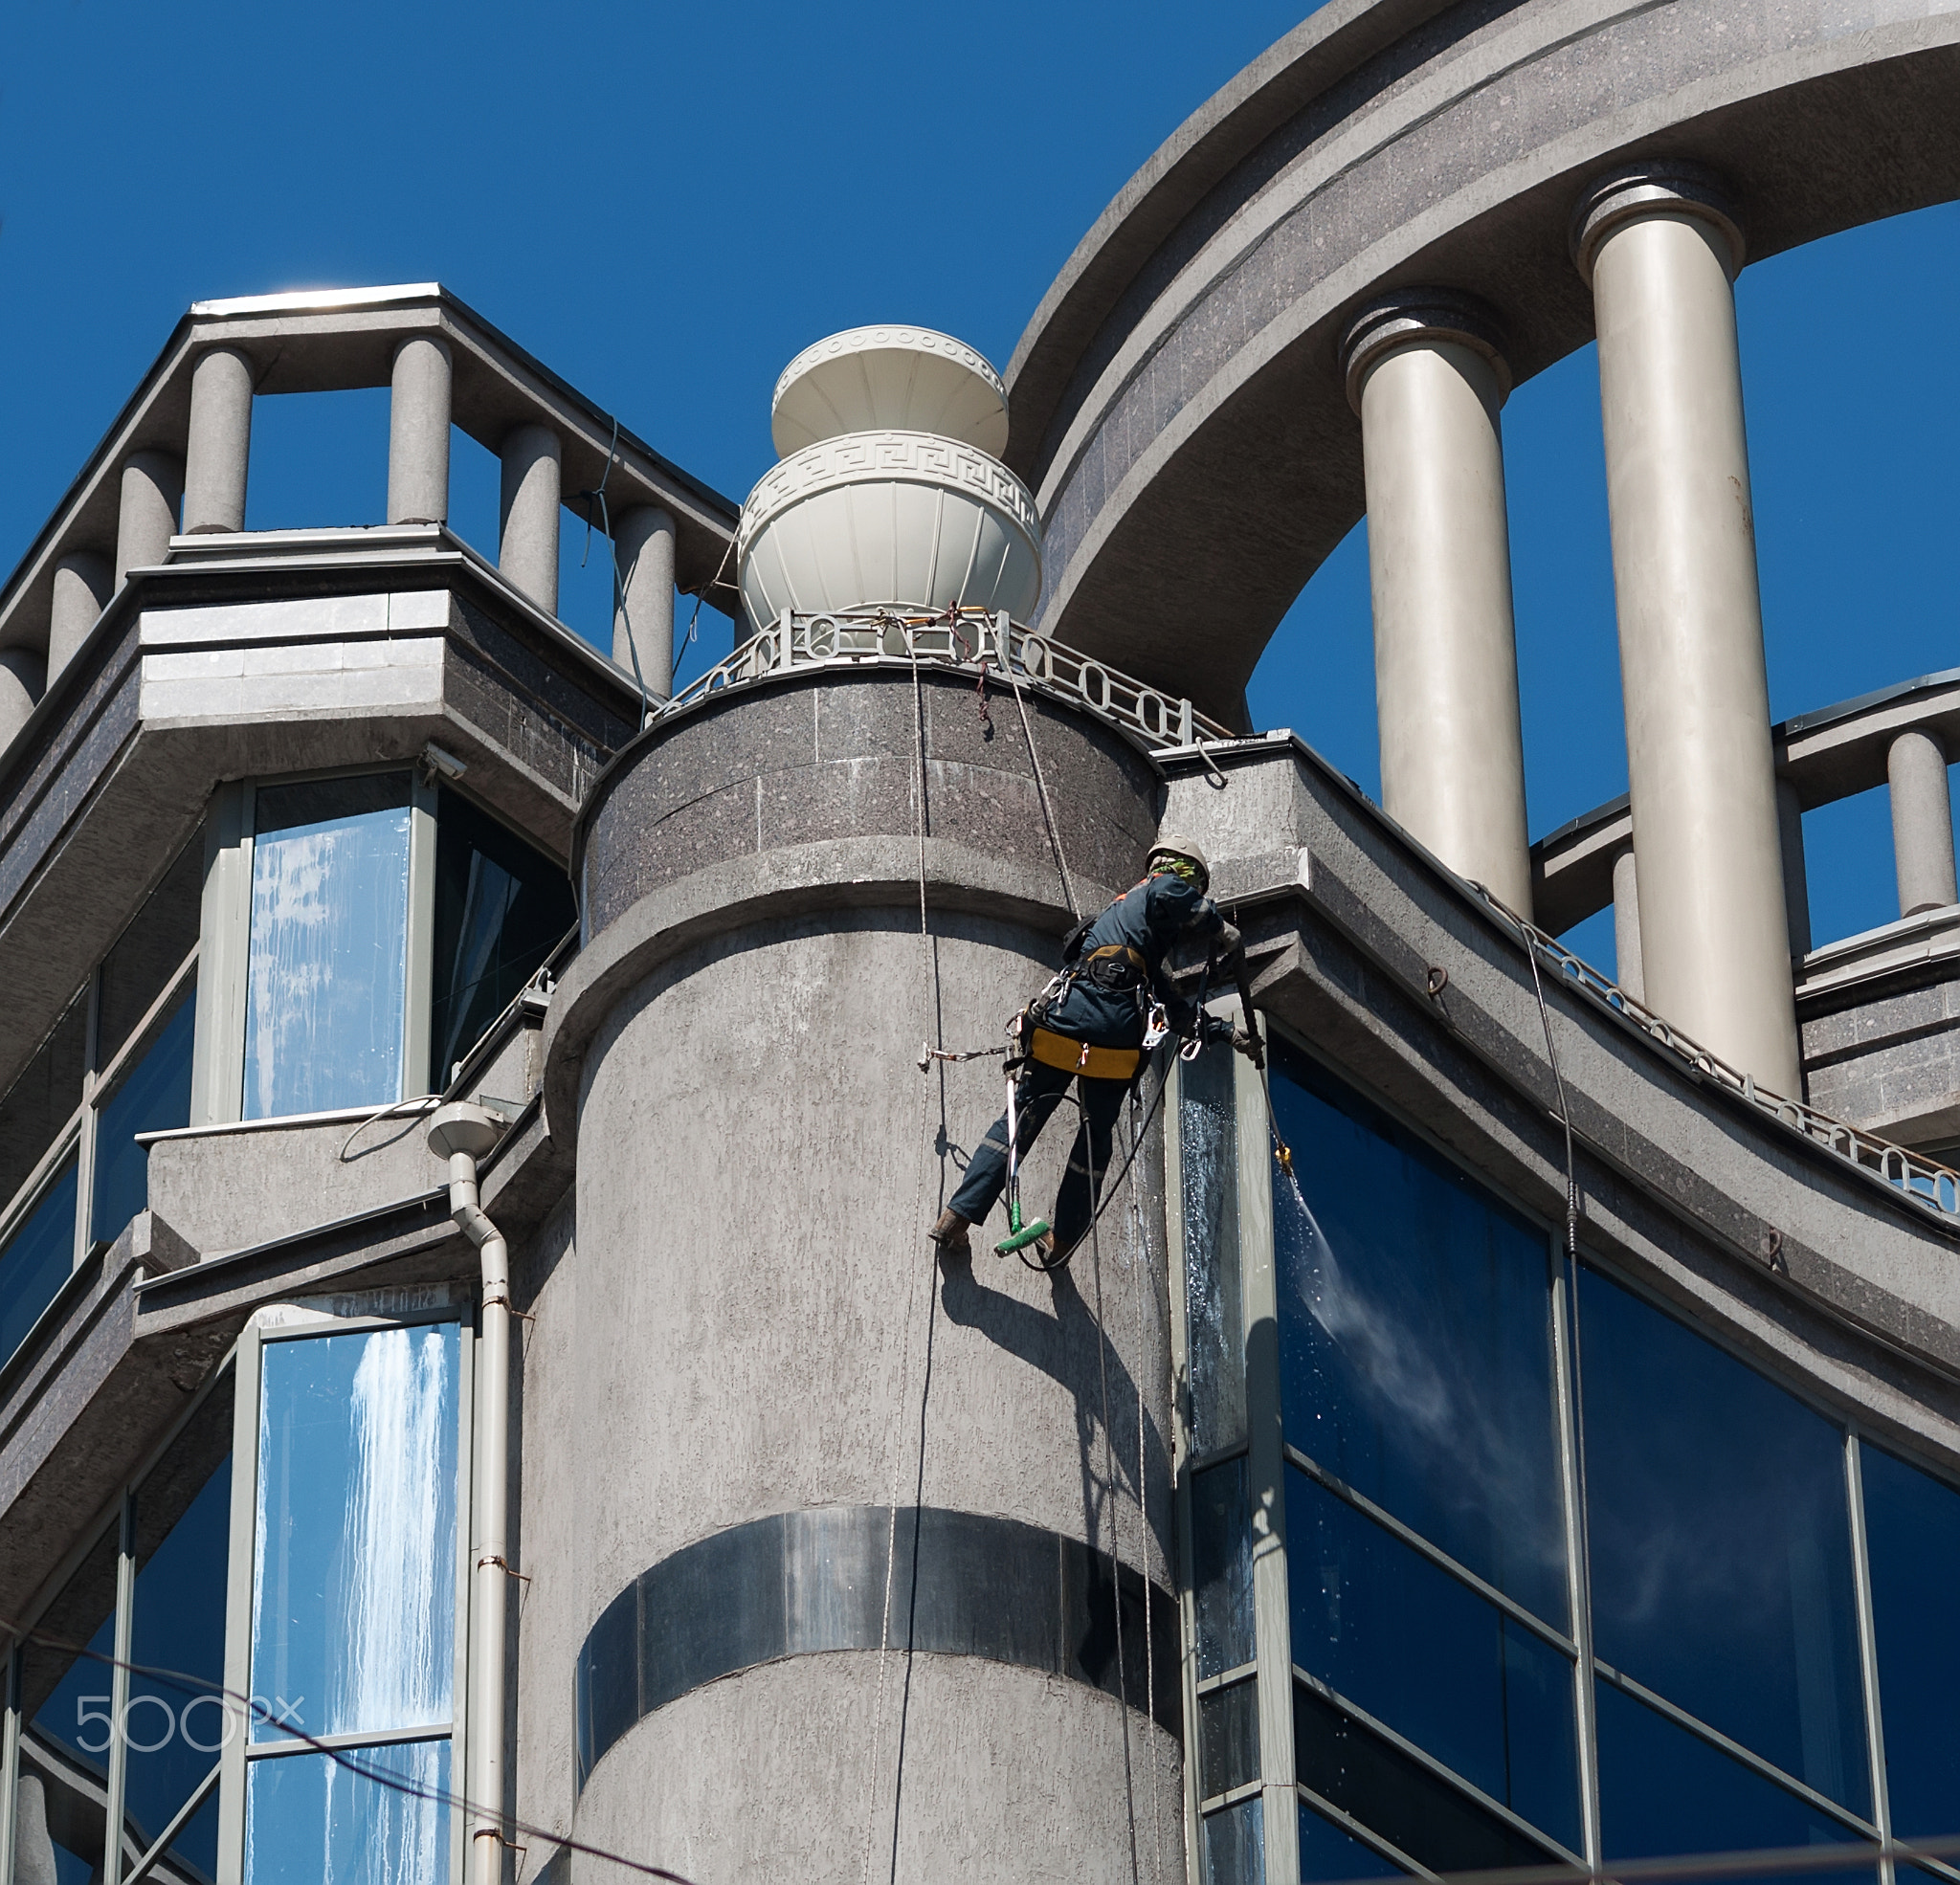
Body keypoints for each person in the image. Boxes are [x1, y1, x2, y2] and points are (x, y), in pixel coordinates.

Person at [930, 834, 1260, 1267]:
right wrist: (1219, 926)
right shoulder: (1158, 890)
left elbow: (1173, 1008)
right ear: (1187, 880)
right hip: (1111, 1043)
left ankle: (957, 1216)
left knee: (1020, 1119)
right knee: (1094, 1141)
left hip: (1061, 1025)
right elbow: (1166, 888)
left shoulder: (1124, 929)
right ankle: (1062, 1241)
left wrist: (1223, 1032)